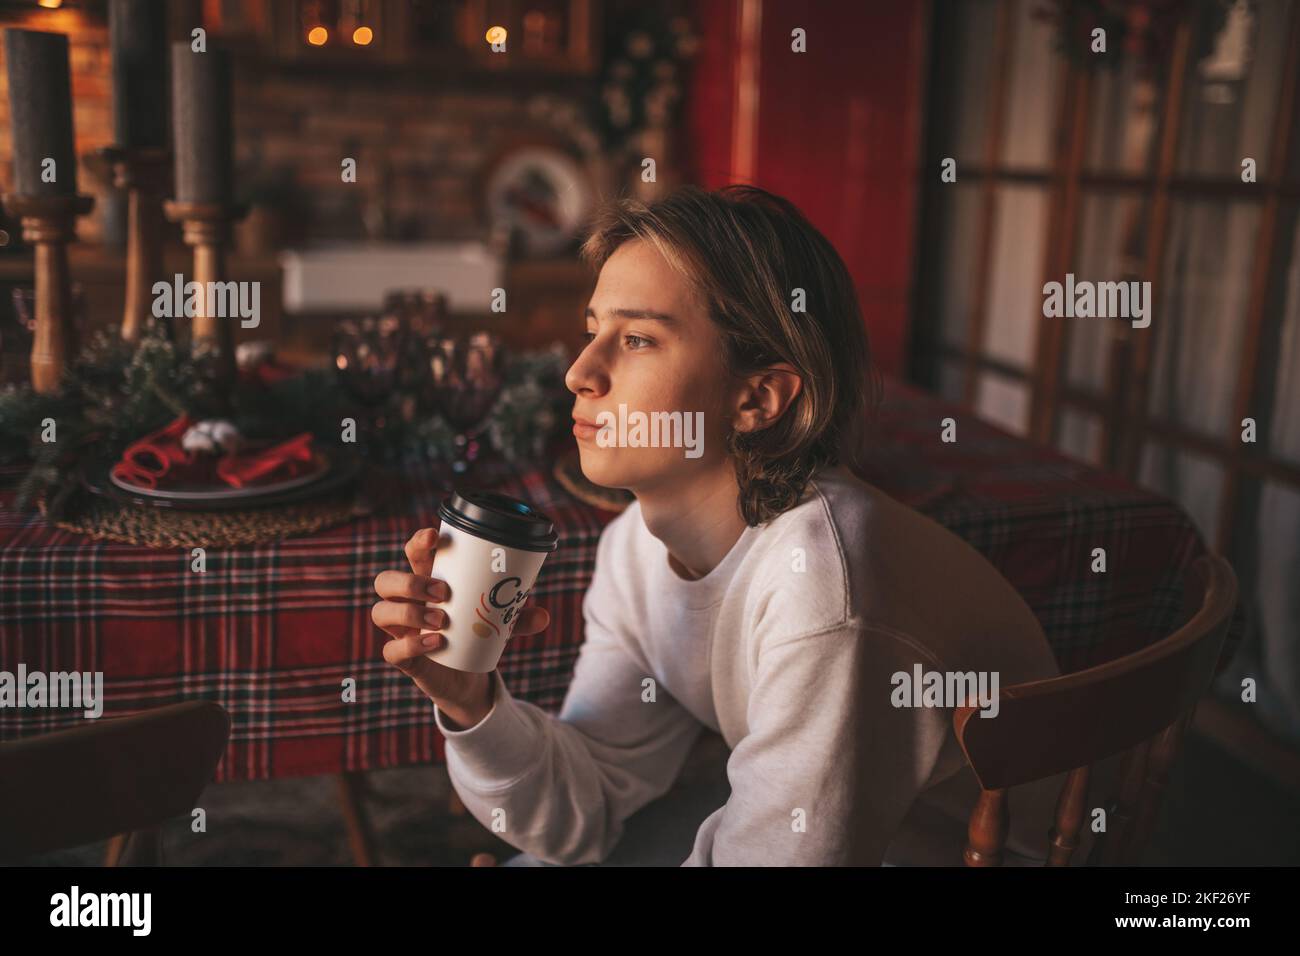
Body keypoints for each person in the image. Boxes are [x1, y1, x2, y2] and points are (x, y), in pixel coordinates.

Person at [371, 184, 1068, 866]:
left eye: (638, 338)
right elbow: (586, 810)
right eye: (593, 333)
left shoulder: (825, 581)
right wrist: (469, 700)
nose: (580, 372)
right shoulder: (633, 548)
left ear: (757, 397)